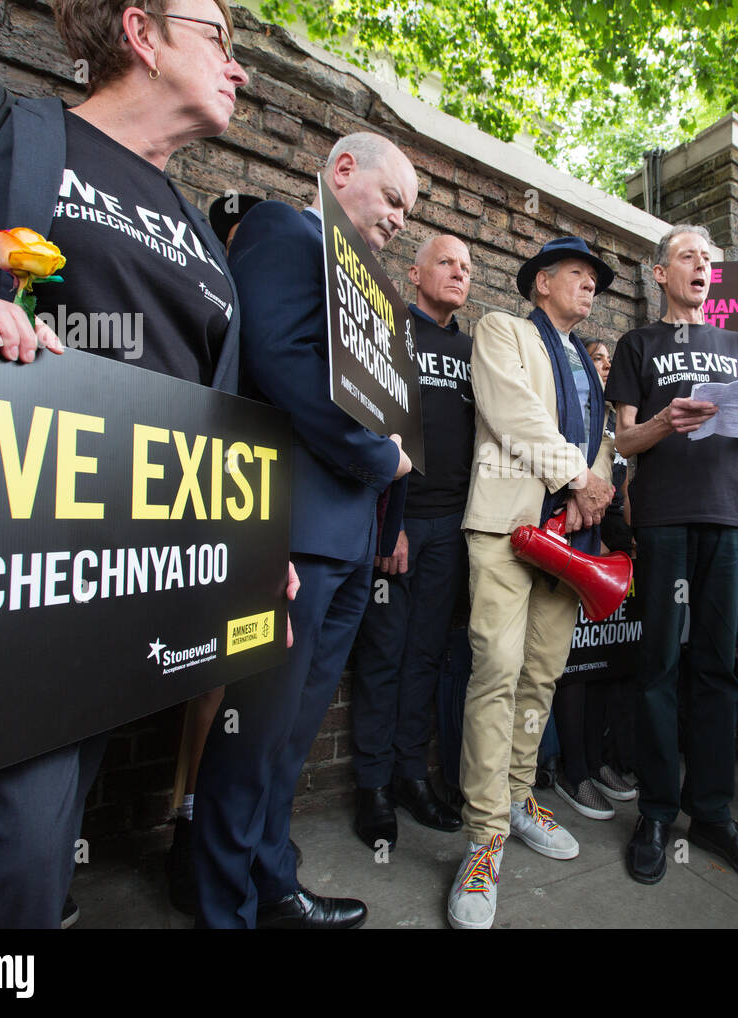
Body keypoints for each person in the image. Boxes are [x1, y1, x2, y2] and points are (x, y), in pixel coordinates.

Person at [0, 0, 250, 928]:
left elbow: (208, 428)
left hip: (125, 595)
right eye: (220, 36)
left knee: (37, 863)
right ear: (142, 31)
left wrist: (250, 547)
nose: (239, 66)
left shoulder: (209, 242)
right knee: (9, 862)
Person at [193, 132, 416, 930]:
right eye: (394, 199)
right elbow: (280, 357)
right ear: (342, 170)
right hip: (292, 529)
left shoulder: (370, 291)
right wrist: (373, 456)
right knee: (254, 732)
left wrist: (384, 501)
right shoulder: (287, 232)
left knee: (289, 737)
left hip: (351, 539)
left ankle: (270, 882)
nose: (399, 220)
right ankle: (225, 908)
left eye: (408, 211)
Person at [606, 224, 738, 889]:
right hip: (660, 519)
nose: (700, 266)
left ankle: (710, 813)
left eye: (707, 259)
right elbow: (625, 442)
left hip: (724, 515)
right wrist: (663, 423)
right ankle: (656, 812)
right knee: (657, 665)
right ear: (660, 273)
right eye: (687, 257)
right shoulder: (638, 344)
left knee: (719, 667)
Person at [446, 236, 616, 930]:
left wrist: (590, 491)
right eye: (579, 275)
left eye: (596, 281)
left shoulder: (585, 359)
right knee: (498, 668)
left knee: (542, 673)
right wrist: (577, 476)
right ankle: (484, 838)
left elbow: (600, 440)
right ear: (542, 282)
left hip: (568, 538)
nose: (591, 287)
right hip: (505, 524)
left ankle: (519, 798)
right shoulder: (502, 330)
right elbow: (510, 409)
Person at [348, 234, 473, 851]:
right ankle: (370, 785)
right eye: (447, 262)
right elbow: (375, 426)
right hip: (398, 522)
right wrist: (388, 520)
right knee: (382, 654)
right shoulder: (387, 330)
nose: (460, 273)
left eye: (468, 267)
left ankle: (407, 774)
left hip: (451, 527)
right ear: (414, 271)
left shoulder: (474, 351)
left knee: (425, 654)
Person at [551, 338, 638, 820]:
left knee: (608, 660)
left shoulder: (616, 432)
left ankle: (600, 759)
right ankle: (574, 769)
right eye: (595, 359)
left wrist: (628, 548)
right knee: (575, 667)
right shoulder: (572, 423)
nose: (603, 367)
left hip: (618, 560)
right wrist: (598, 546)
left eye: (607, 362)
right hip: (582, 551)